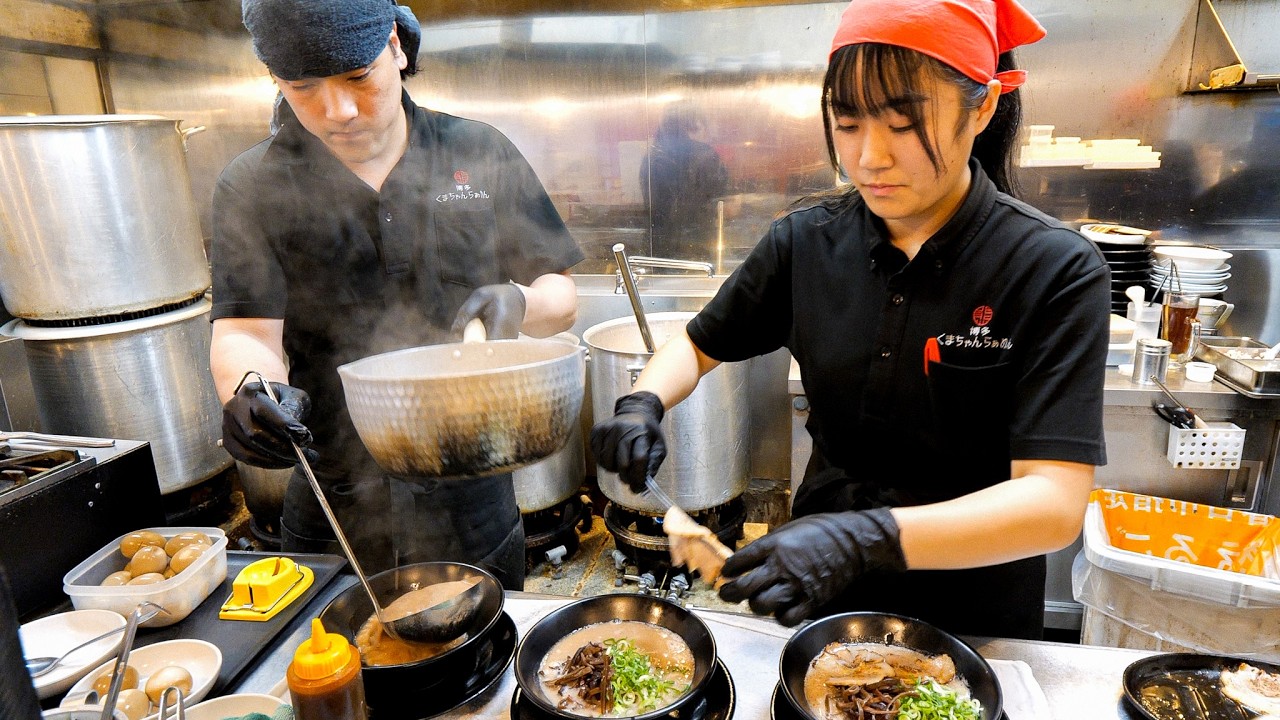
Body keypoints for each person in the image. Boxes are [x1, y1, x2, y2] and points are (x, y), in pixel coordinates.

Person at [591, 0, 1110, 639]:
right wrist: (643, 400)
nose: (868, 158)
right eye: (848, 122)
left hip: (975, 608)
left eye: (902, 125)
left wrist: (863, 539)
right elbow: (697, 346)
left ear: (982, 107)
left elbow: (1053, 506)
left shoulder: (1053, 269)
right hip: (817, 591)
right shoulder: (805, 243)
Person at [211, 0, 583, 590]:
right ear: (274, 79)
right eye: (302, 87)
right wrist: (249, 392)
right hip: (333, 500)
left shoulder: (476, 151)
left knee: (482, 667)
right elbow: (245, 333)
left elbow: (560, 293)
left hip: (473, 484)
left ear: (394, 45)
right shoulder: (253, 185)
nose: (338, 111)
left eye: (358, 77)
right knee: (337, 670)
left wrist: (521, 302)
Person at [641, 103, 729, 259]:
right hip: (696, 245)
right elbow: (723, 202)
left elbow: (654, 206)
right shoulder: (705, 154)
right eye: (700, 126)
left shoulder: (651, 156)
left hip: (659, 246)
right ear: (693, 125)